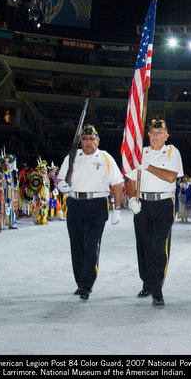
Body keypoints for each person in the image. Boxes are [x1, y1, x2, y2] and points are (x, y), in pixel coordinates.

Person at [57, 124, 124, 300]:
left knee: (91, 245)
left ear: (98, 141)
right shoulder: (72, 158)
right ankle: (80, 281)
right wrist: (61, 185)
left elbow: (117, 184)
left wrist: (117, 209)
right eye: (85, 139)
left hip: (96, 205)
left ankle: (87, 284)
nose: (88, 142)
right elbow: (60, 178)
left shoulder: (105, 157)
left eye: (92, 139)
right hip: (75, 204)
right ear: (80, 141)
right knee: (77, 245)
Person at [125, 119, 184, 306]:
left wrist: (148, 167)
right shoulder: (140, 153)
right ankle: (147, 282)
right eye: (152, 132)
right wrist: (132, 199)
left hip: (163, 205)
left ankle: (157, 289)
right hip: (142, 204)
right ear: (148, 134)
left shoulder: (172, 152)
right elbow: (132, 180)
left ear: (166, 136)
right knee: (143, 247)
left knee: (158, 247)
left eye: (160, 133)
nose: (156, 136)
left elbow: (171, 176)